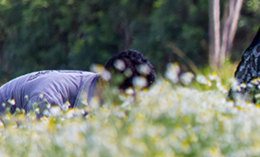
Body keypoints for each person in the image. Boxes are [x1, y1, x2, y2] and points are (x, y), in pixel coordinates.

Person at [0, 50, 156, 116]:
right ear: (105, 82)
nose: (131, 103)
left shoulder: (94, 92)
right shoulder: (50, 96)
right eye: (128, 96)